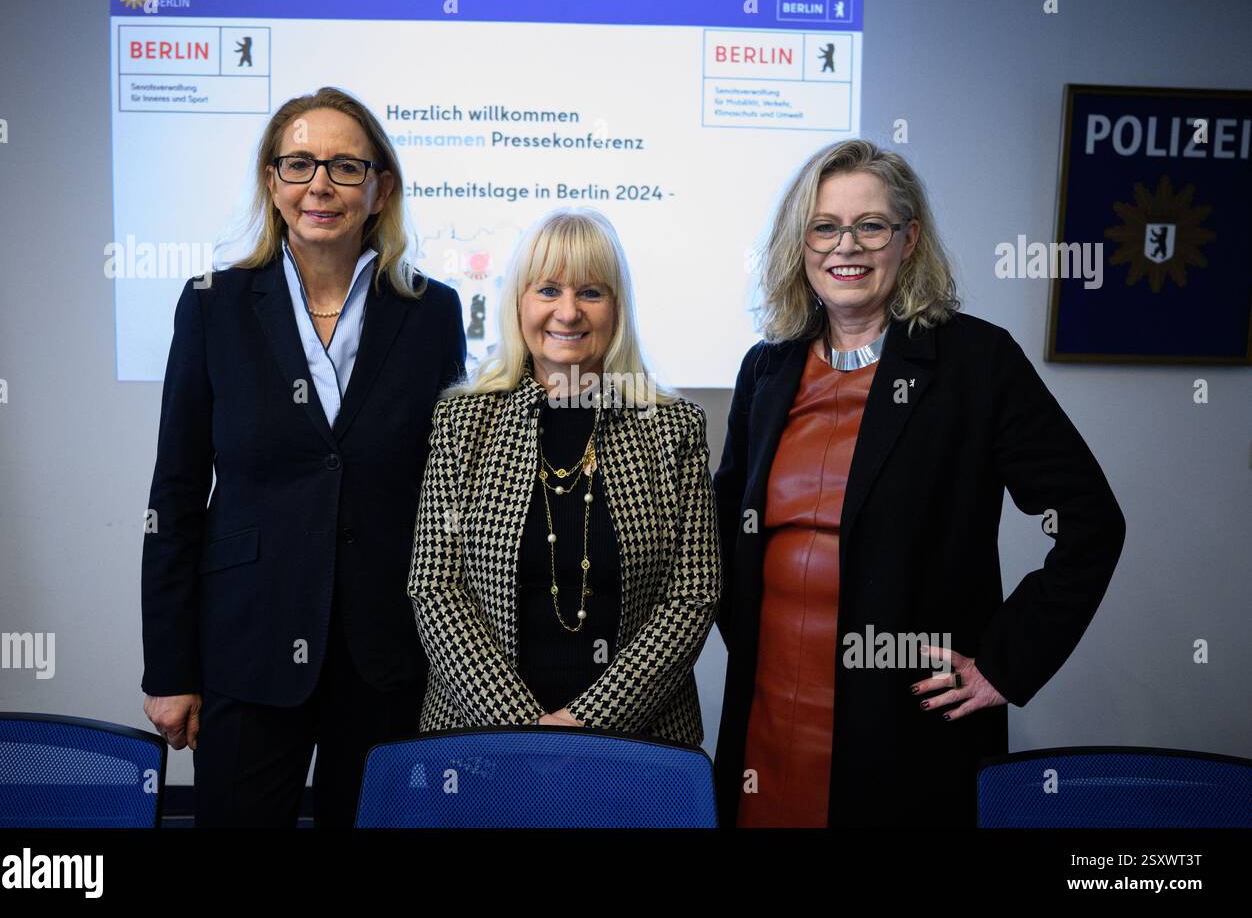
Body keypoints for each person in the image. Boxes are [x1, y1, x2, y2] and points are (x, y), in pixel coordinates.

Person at [713, 139, 1126, 827]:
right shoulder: (767, 366)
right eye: (824, 226)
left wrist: (1004, 663)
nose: (847, 245)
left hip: (902, 725)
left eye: (870, 225)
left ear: (908, 239)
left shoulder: (976, 361)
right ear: (801, 243)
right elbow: (728, 518)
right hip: (766, 714)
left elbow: (1091, 519)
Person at [140, 87, 466, 827]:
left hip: (382, 656)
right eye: (299, 164)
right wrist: (169, 667)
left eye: (346, 166)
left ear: (381, 188)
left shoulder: (431, 312)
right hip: (246, 648)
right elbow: (176, 496)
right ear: (271, 182)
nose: (320, 184)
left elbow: (443, 489)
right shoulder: (212, 306)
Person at [407, 209, 720, 746]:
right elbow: (435, 588)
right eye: (548, 289)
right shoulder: (462, 422)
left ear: (617, 308)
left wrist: (588, 725)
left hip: (638, 740)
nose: (568, 312)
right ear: (519, 304)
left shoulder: (674, 429)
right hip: (482, 738)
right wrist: (524, 727)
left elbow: (693, 594)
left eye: (592, 293)